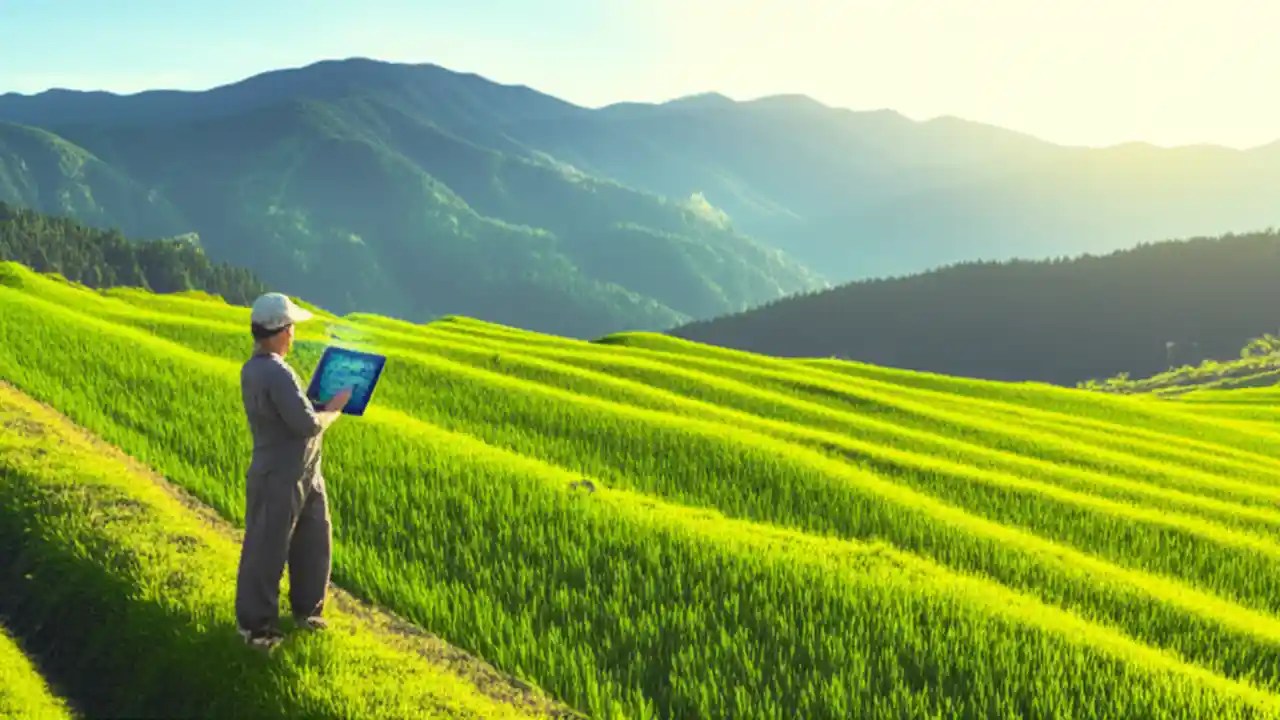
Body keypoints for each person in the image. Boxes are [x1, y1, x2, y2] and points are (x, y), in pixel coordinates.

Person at [235, 292, 352, 649]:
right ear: (282, 331)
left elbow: (293, 412)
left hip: (304, 472)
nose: (294, 336)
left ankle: (308, 612)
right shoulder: (274, 371)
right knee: (267, 548)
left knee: (314, 540)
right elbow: (305, 425)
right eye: (292, 329)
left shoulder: (258, 368)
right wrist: (334, 409)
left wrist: (315, 402)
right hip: (280, 474)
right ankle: (257, 628)